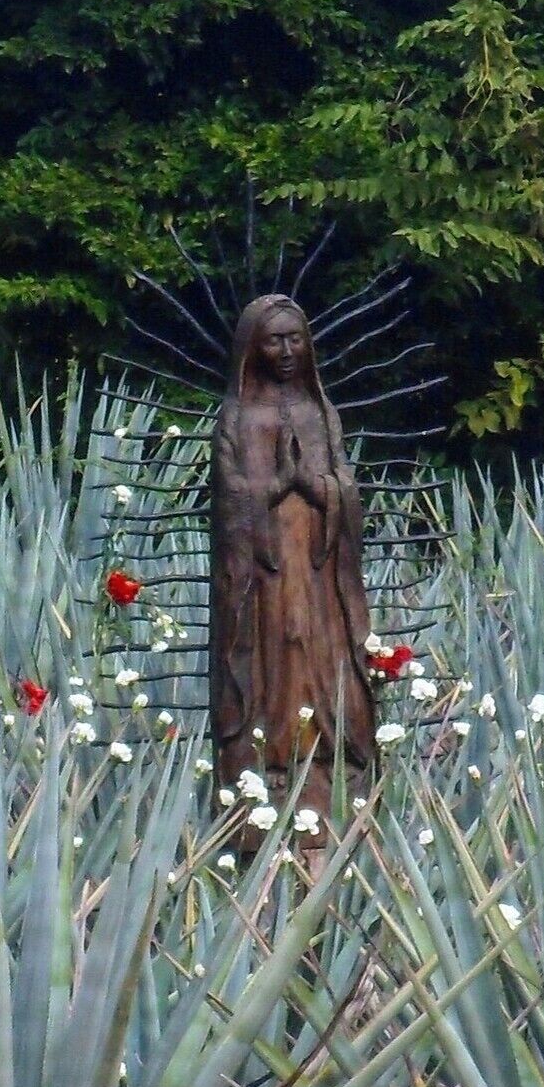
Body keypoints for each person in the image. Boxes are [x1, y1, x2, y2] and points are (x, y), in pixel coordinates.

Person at [210, 293, 375, 813]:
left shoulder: (319, 412)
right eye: (273, 340)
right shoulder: (237, 419)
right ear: (252, 348)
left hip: (321, 567)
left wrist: (319, 486)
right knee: (277, 650)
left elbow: (345, 484)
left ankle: (333, 758)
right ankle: (272, 760)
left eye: (295, 338)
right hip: (264, 574)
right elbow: (229, 498)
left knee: (323, 650)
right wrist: (275, 487)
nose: (285, 350)